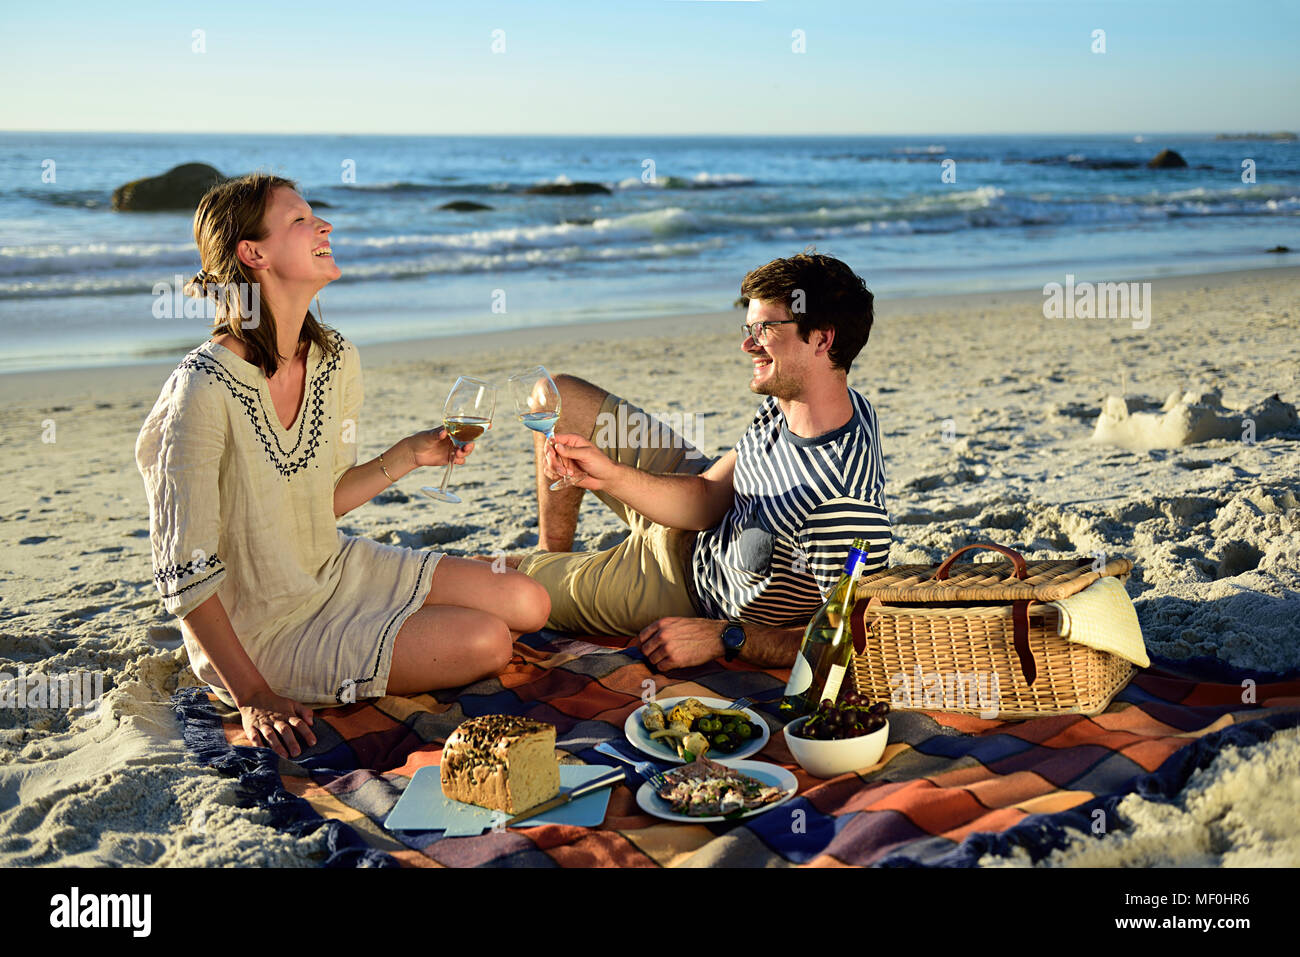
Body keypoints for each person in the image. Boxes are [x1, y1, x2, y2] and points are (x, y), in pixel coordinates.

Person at [135, 173, 549, 759]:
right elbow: (182, 569)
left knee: (529, 602)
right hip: (261, 628)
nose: (324, 226)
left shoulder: (335, 359)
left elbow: (320, 499)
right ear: (253, 254)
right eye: (300, 220)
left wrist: (409, 455)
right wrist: (252, 693)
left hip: (331, 566)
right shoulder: (200, 388)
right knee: (488, 642)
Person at [508, 252, 890, 672]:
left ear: (822, 340)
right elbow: (708, 493)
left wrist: (724, 636)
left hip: (682, 587)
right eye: (749, 328)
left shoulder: (841, 508)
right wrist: (609, 476)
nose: (747, 344)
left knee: (494, 581)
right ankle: (551, 553)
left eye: (764, 329)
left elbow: (851, 640)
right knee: (555, 397)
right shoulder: (804, 401)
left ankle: (542, 577)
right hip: (708, 506)